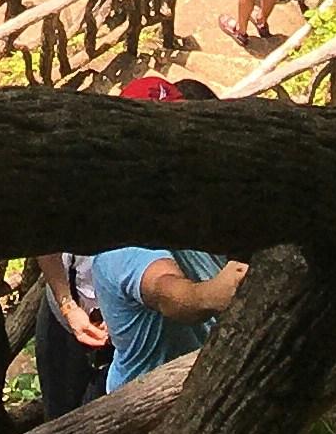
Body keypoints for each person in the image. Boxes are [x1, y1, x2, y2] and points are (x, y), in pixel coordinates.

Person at [91, 77, 248, 387]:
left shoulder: (191, 202)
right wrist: (213, 295)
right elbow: (168, 292)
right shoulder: (124, 234)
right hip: (148, 417)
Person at [35, 250, 112, 420]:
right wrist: (68, 307)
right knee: (59, 417)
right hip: (63, 316)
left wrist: (119, 313)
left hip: (128, 323)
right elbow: (46, 248)